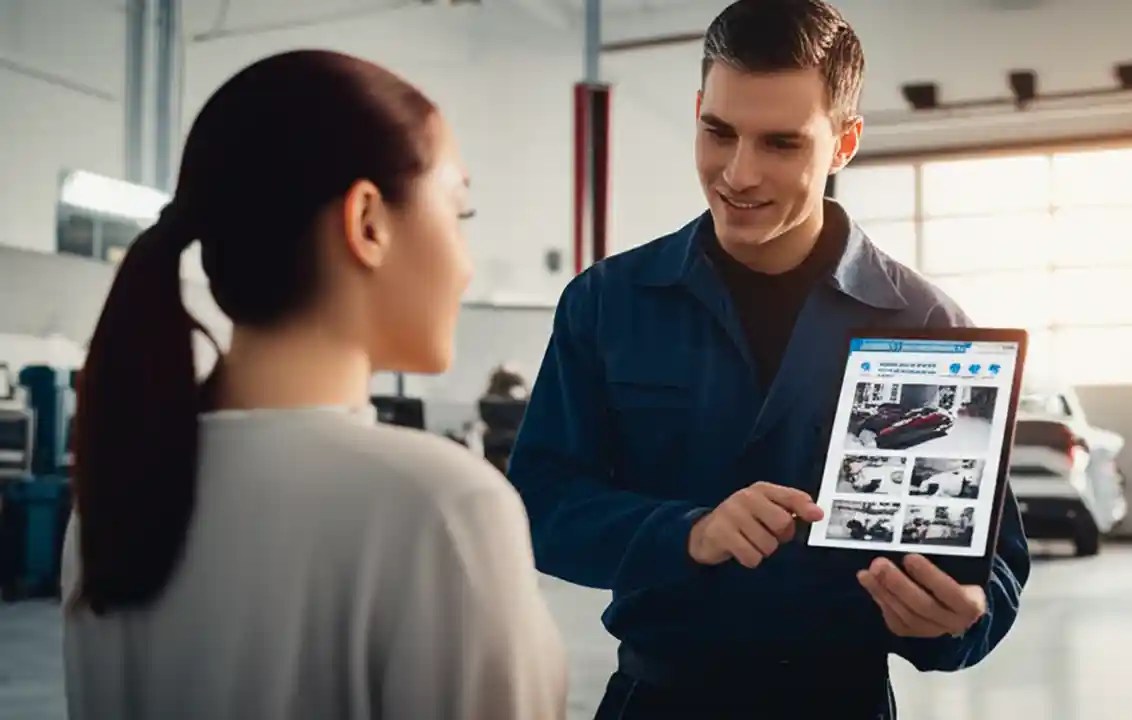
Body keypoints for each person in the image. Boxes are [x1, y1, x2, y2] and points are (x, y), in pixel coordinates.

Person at [507, 1, 1030, 718]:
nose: (738, 174)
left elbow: (993, 567)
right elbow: (540, 504)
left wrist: (957, 619)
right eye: (718, 132)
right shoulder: (607, 304)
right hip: (657, 699)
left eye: (781, 144)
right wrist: (689, 531)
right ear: (697, 111)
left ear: (844, 143)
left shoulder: (928, 324)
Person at [60, 50, 565, 720]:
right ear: (368, 223)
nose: (466, 266)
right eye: (460, 213)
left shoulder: (118, 499)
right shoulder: (440, 506)